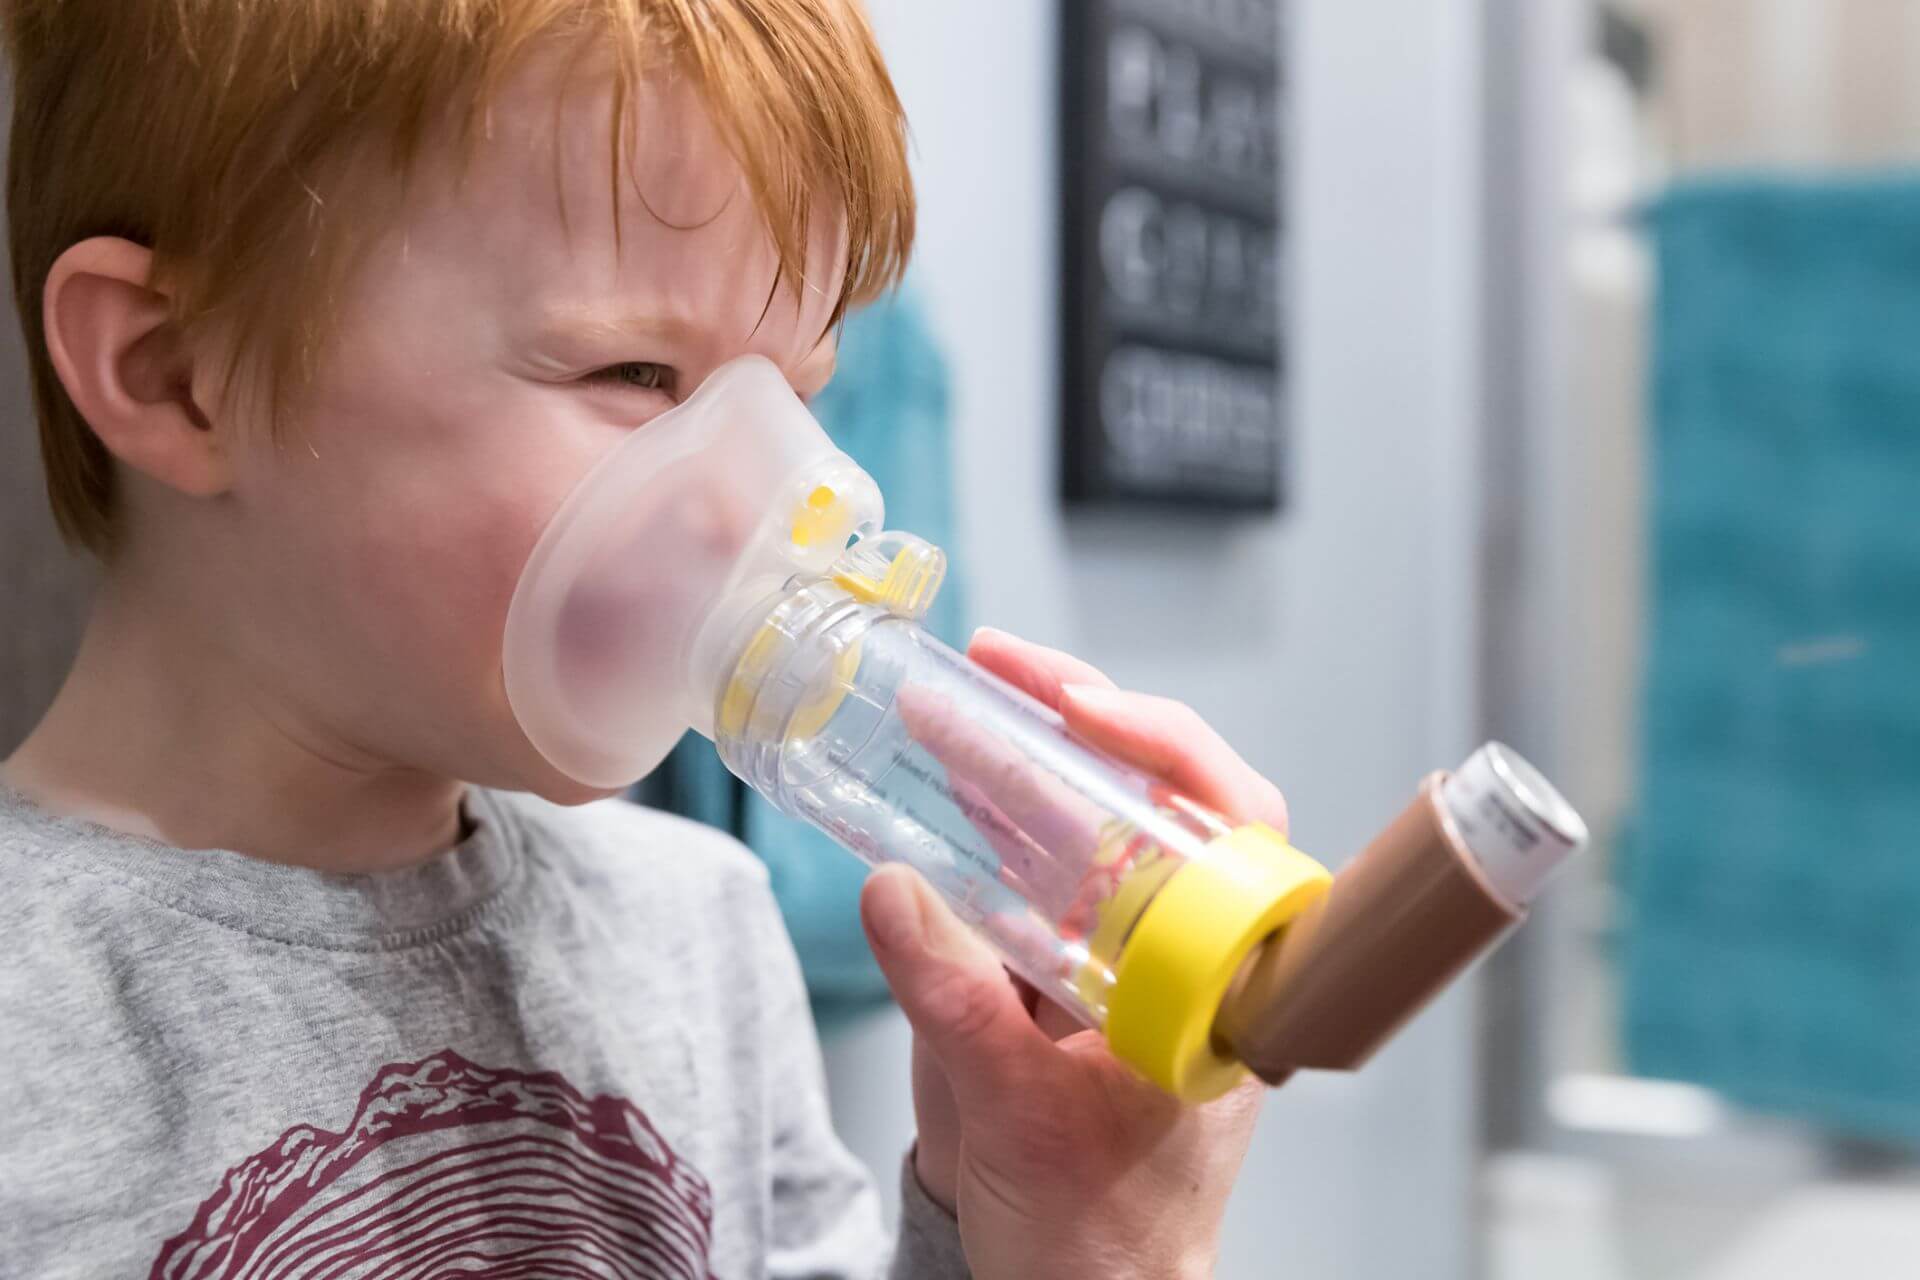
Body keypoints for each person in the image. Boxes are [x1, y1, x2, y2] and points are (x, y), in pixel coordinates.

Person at [0, 2, 1289, 1275]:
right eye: (634, 376)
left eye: (794, 398)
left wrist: (1077, 1240)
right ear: (175, 371)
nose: (778, 503)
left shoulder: (700, 935)